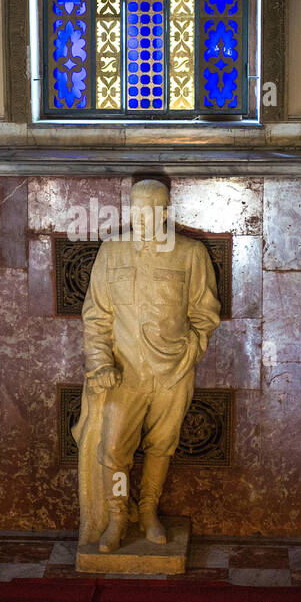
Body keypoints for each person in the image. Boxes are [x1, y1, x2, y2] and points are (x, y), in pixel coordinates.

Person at [75, 179, 220, 553]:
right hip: (123, 373)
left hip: (174, 371)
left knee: (161, 446)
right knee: (114, 450)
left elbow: (205, 314)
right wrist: (100, 362)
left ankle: (149, 512)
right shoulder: (111, 251)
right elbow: (96, 317)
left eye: (152, 210)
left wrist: (190, 352)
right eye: (137, 209)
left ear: (166, 212)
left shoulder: (190, 253)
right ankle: (117, 516)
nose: (143, 217)